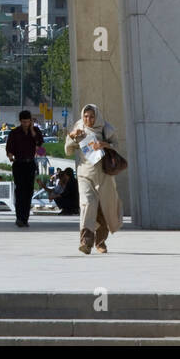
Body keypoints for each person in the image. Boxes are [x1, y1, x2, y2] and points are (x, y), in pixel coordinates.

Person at [63, 103, 123, 253]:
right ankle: (86, 242)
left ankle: (100, 242)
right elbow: (68, 151)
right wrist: (71, 137)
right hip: (85, 174)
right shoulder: (79, 128)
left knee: (103, 209)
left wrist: (104, 144)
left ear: (97, 117)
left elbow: (116, 145)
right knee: (87, 204)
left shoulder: (105, 128)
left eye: (91, 116)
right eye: (85, 116)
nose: (88, 119)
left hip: (104, 174)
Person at [6, 110, 44, 228]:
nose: (25, 124)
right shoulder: (14, 133)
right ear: (20, 121)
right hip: (19, 164)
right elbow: (9, 148)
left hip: (30, 164)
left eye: (28, 122)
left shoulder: (35, 131)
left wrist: (32, 130)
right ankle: (19, 218)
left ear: (30, 121)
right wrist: (10, 156)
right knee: (20, 191)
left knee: (28, 192)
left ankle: (25, 218)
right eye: (23, 122)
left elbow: (39, 142)